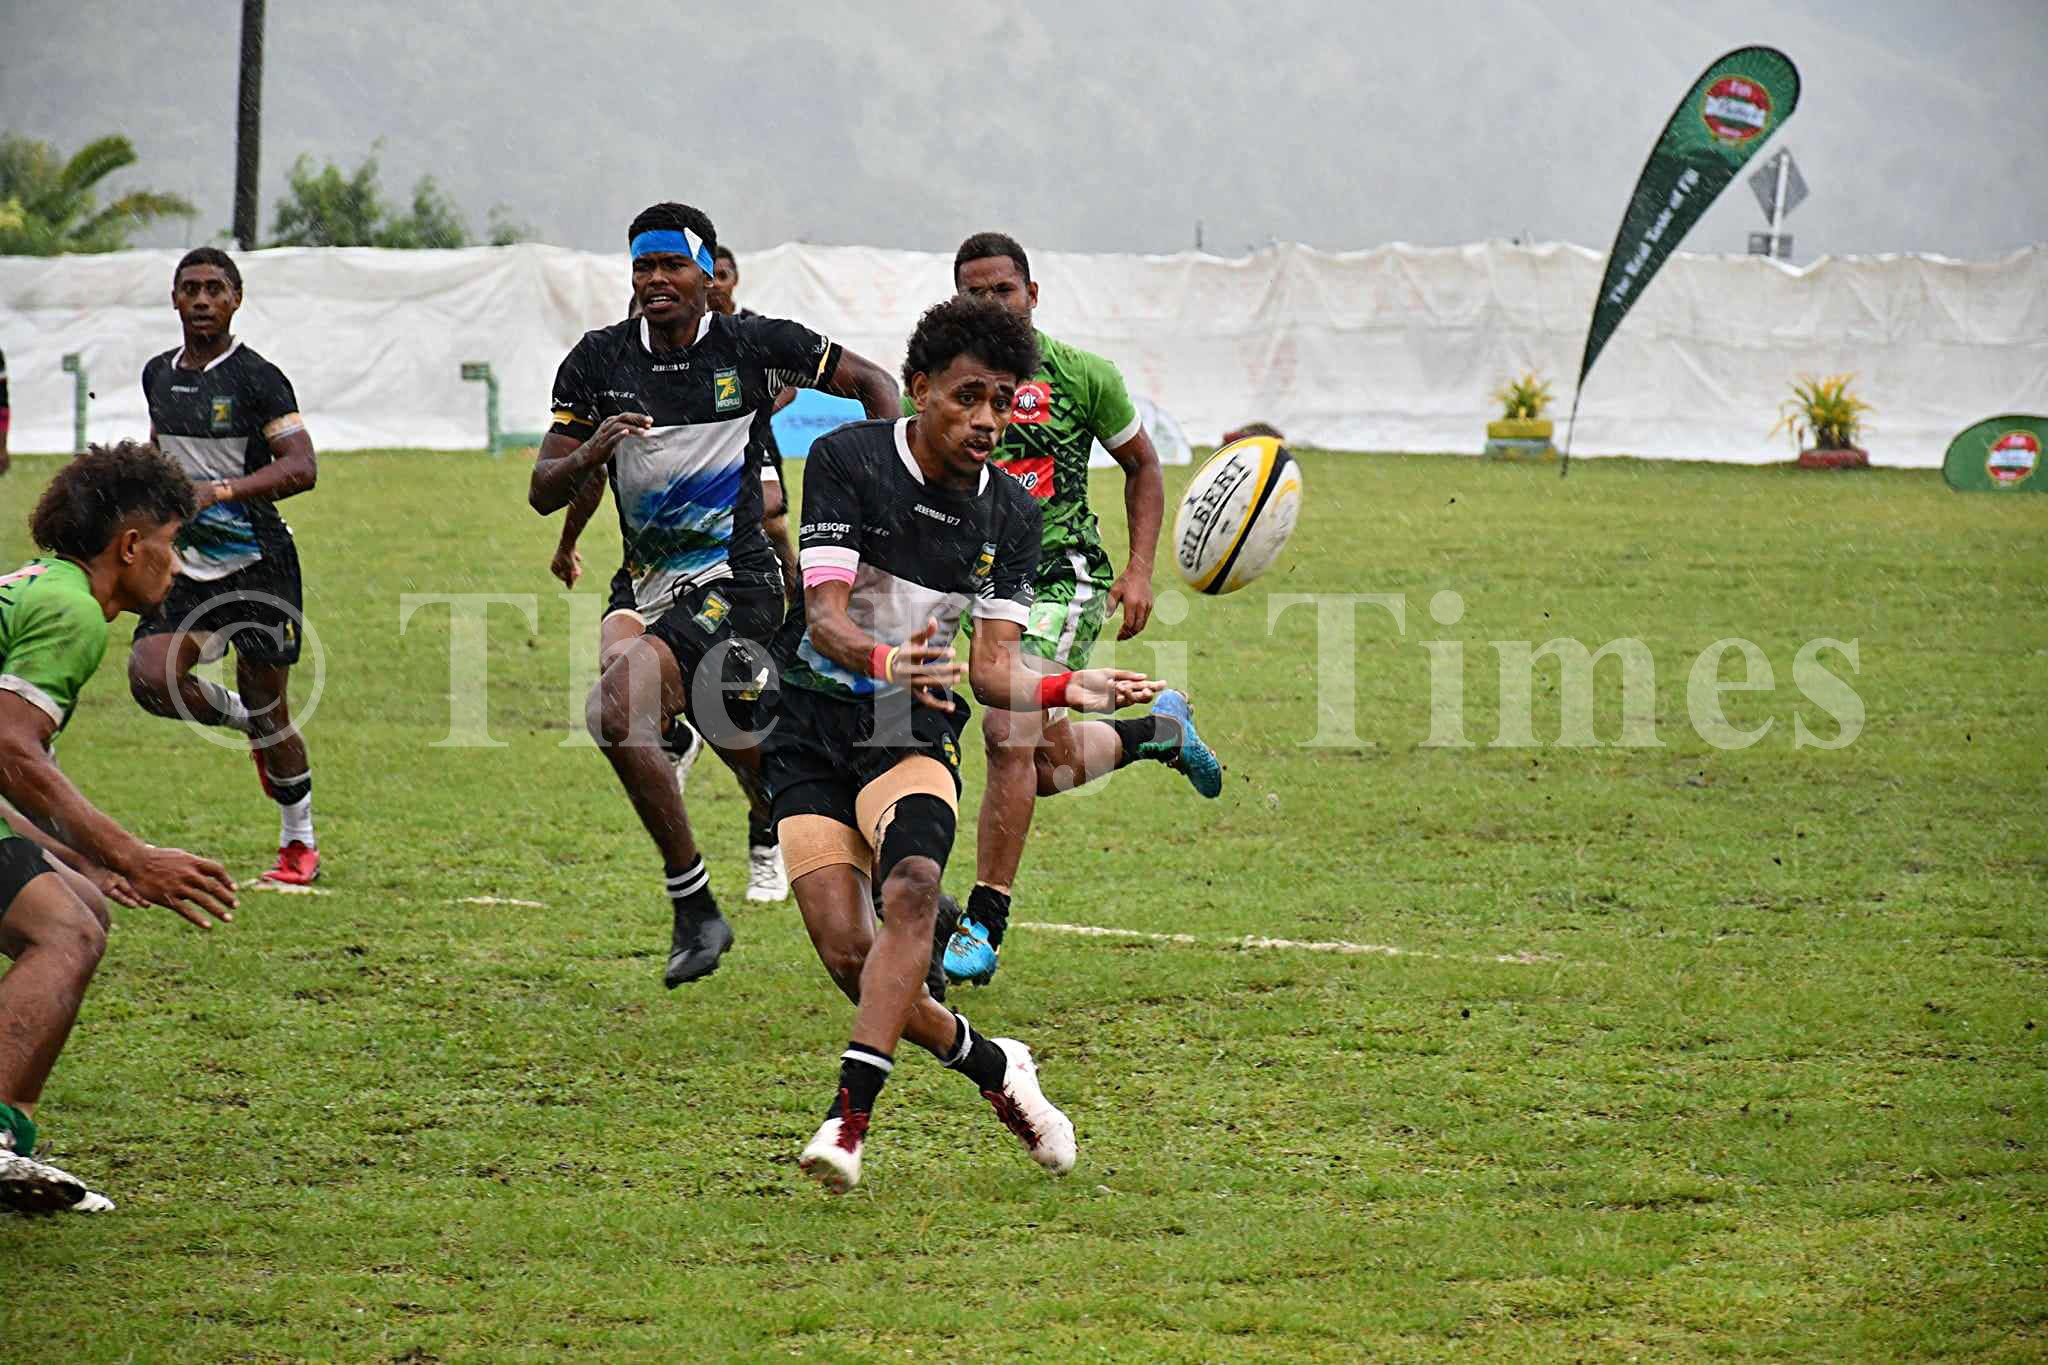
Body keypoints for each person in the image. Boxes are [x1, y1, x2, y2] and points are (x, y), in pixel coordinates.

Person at [769, 295, 1163, 1192]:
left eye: (1002, 401)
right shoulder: (847, 460)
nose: (987, 420)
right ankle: (996, 1064)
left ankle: (848, 1119)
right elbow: (824, 618)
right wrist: (885, 658)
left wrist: (1066, 687)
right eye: (967, 397)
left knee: (912, 889)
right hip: (811, 728)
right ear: (920, 390)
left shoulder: (1012, 514)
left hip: (910, 726)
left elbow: (991, 669)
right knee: (852, 957)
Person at [529, 202, 899, 988]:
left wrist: (882, 505)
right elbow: (542, 488)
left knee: (615, 707)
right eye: (643, 267)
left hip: (739, 578)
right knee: (746, 745)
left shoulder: (754, 345)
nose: (656, 280)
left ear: (707, 276)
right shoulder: (596, 361)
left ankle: (694, 903)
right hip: (645, 582)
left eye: (673, 265)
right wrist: (592, 449)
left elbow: (874, 383)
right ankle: (863, 856)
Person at [935, 233, 1223, 988]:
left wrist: (1139, 570)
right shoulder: (940, 382)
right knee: (1044, 763)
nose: (990, 304)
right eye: (974, 292)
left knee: (1006, 730)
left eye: (1003, 290)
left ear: (1032, 294)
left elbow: (1142, 464)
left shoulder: (1082, 376)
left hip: (1061, 578)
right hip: (978, 586)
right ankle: (1157, 733)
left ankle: (984, 919)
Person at [0, 442, 240, 1214]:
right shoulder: (72, 610)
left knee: (81, 908)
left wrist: (84, 858)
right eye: (173, 543)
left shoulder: (43, 585)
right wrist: (134, 854)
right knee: (65, 929)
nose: (179, 564)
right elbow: (11, 751)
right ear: (131, 546)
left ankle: (8, 1141)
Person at [127, 247, 323, 886]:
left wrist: (222, 492)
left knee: (272, 705)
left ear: (236, 299)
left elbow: (302, 467)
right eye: (191, 289)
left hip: (259, 565)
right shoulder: (158, 374)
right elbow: (160, 452)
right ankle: (244, 719)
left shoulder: (258, 378)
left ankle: (299, 843)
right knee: (151, 678)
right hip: (185, 565)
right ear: (174, 299)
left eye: (216, 288)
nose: (203, 300)